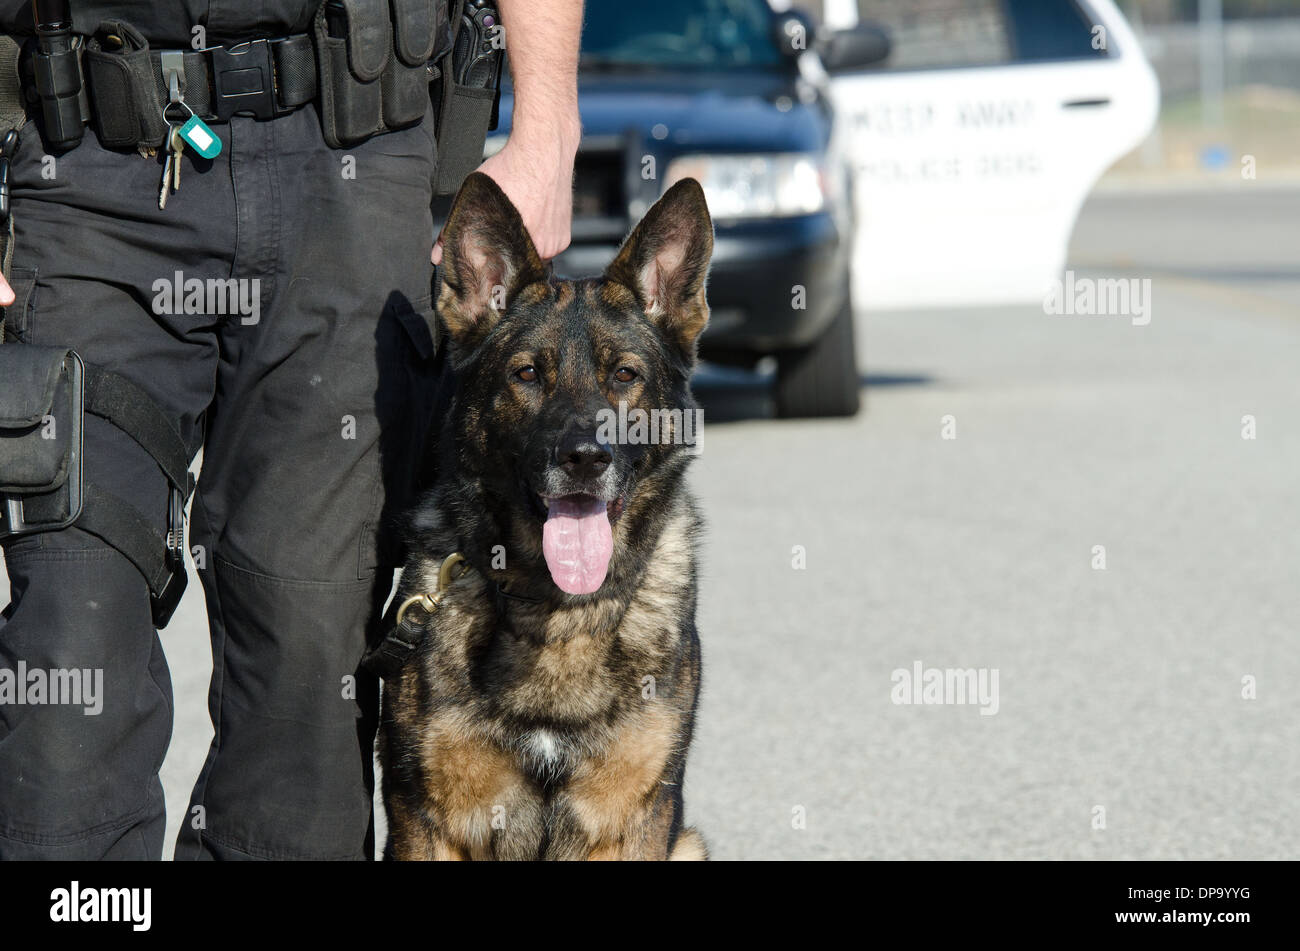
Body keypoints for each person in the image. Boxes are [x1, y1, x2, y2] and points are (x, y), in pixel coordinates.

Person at [0, 0, 582, 860]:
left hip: (354, 161)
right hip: (86, 168)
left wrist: (548, 125)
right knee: (67, 650)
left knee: (310, 674)